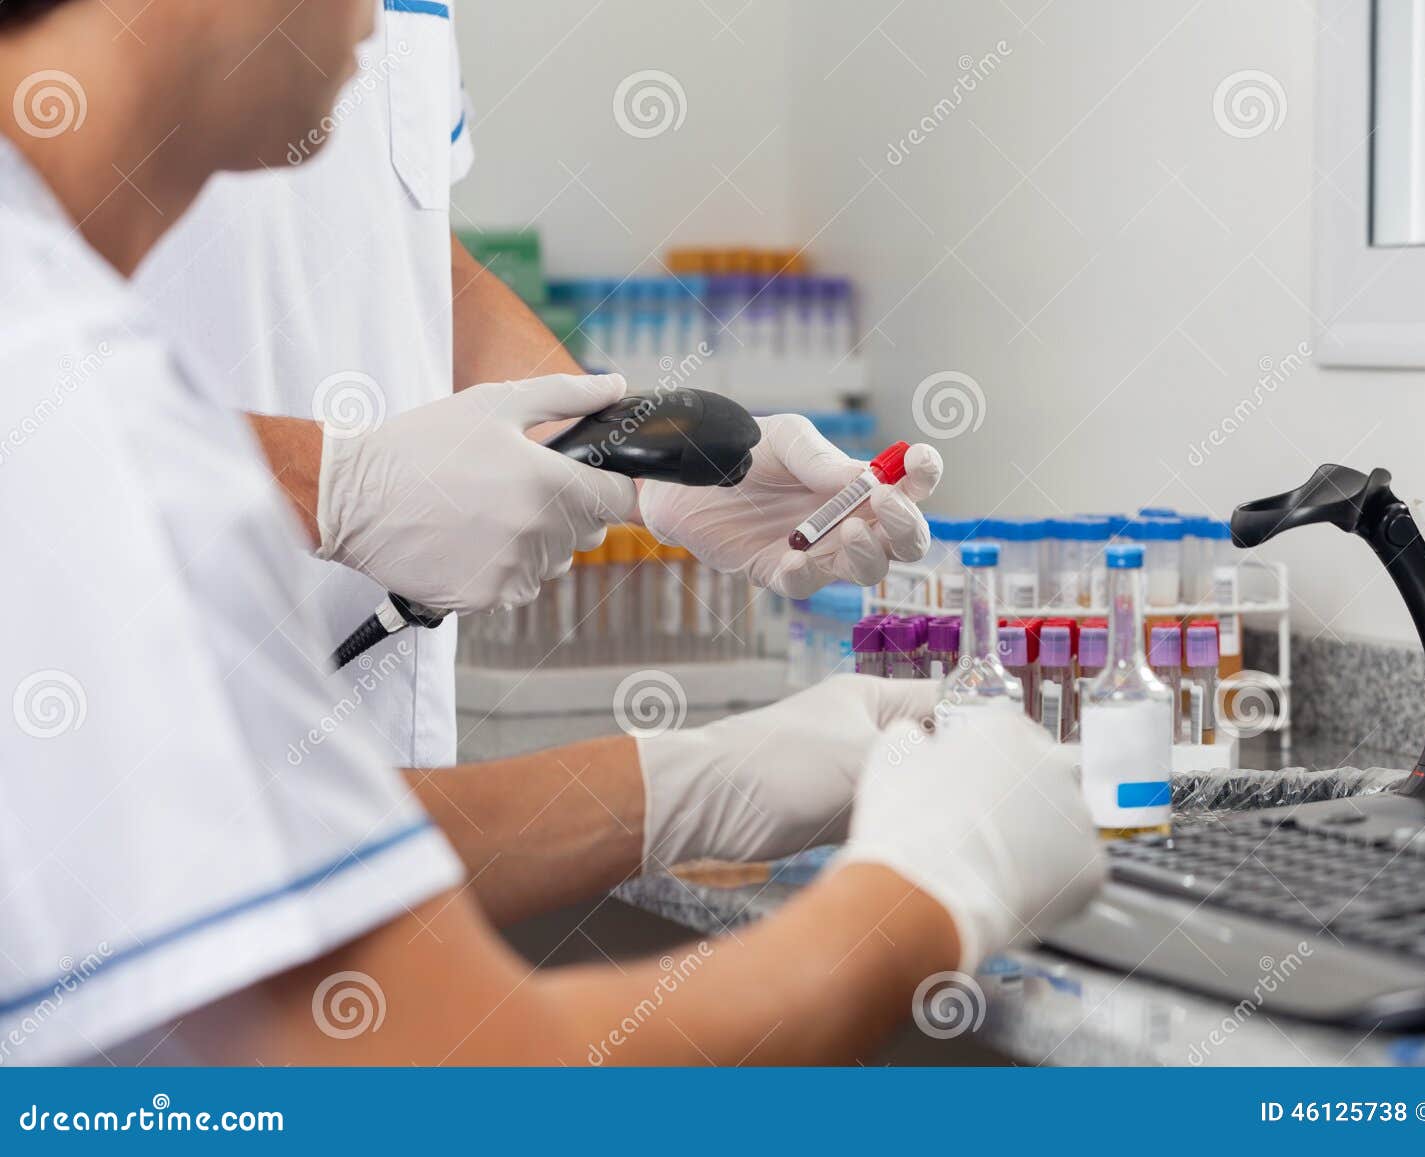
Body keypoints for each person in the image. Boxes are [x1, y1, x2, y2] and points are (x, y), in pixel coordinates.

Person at [0, 0, 1105, 1066]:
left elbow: (405, 241)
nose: (385, 22)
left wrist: (623, 474)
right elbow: (450, 1082)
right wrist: (921, 900)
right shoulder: (80, 433)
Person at [131, 0, 941, 769]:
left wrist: (631, 454)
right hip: (139, 693)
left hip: (374, 723)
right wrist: (329, 483)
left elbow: (413, 264)